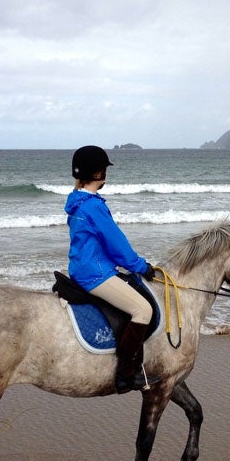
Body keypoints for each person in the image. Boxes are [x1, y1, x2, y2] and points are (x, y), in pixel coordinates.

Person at [64, 145, 161, 394]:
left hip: (81, 268)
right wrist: (142, 266)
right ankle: (125, 375)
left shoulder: (76, 202)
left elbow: (95, 244)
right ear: (98, 173)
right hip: (95, 274)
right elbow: (117, 245)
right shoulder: (93, 206)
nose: (106, 173)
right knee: (143, 310)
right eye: (104, 169)